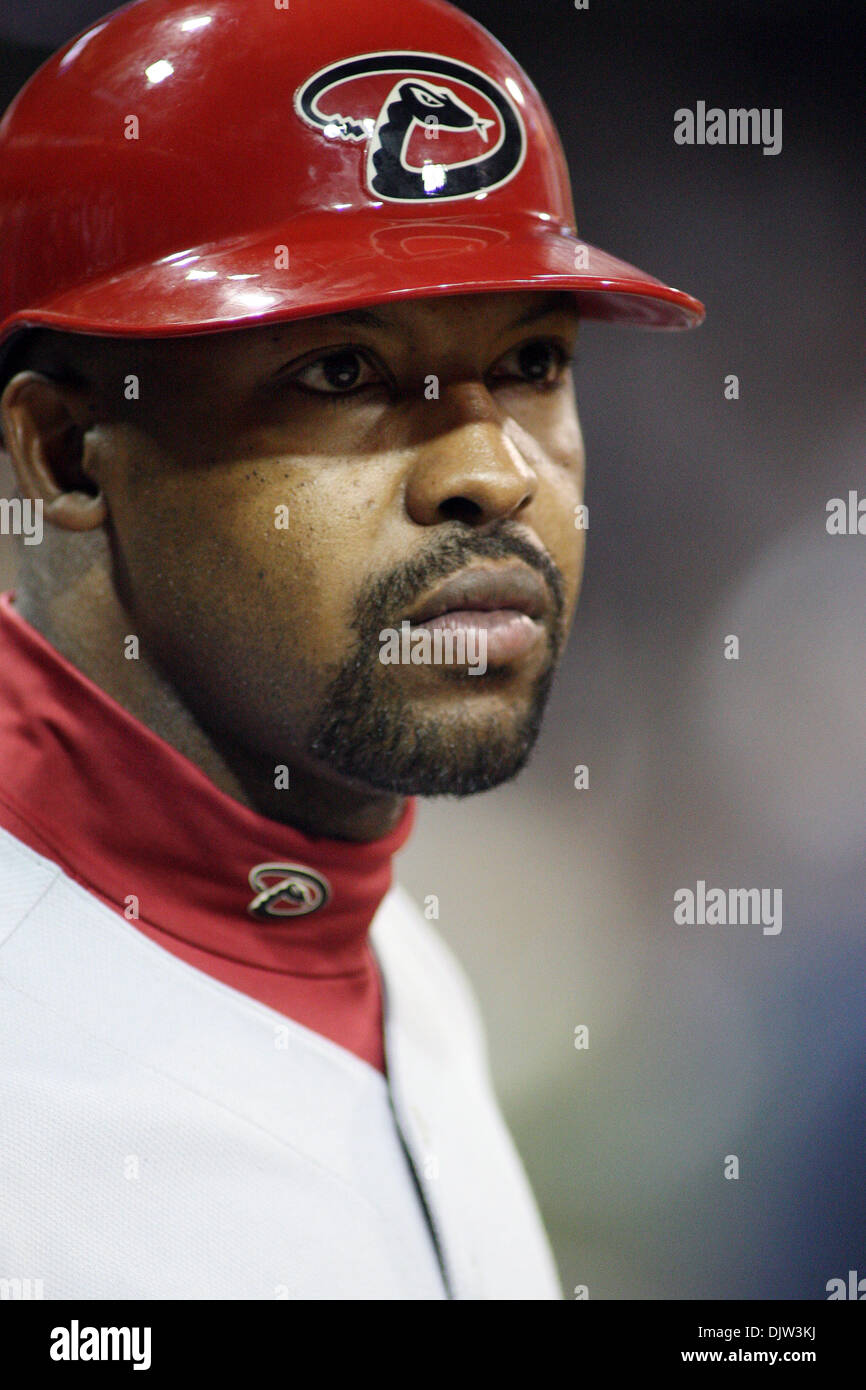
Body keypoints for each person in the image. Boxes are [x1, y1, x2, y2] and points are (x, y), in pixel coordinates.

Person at [0, 0, 703, 1300]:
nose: (491, 469)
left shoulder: (410, 974)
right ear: (64, 454)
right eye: (341, 370)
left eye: (531, 359)